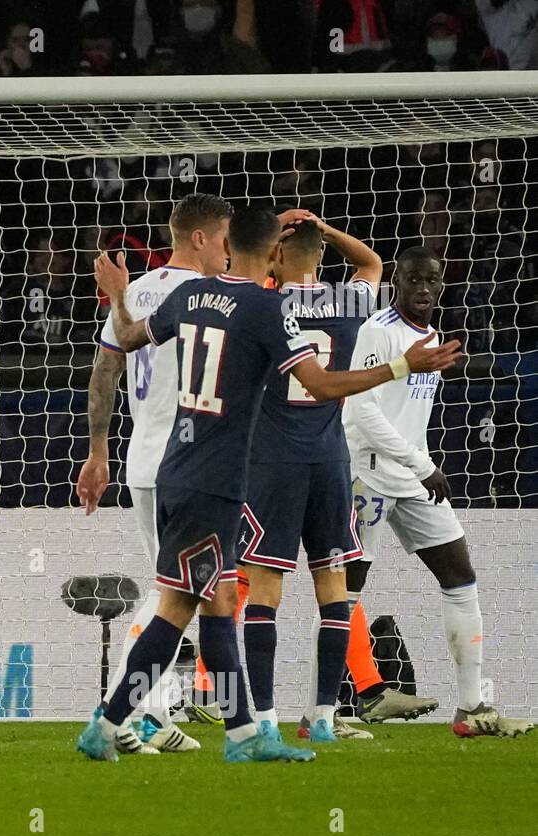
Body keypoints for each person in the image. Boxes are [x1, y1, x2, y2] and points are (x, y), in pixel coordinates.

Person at [81, 205, 460, 763]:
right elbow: (322, 383)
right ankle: (107, 722)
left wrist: (117, 293)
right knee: (178, 610)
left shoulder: (190, 295)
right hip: (215, 478)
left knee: (220, 602)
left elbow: (128, 337)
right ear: (276, 253)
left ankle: (241, 736)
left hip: (181, 467)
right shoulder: (263, 308)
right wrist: (401, 366)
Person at [234, 213, 427, 744]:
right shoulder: (352, 302)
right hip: (330, 460)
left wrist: (271, 229)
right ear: (322, 256)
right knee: (333, 591)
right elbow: (371, 262)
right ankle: (323, 716)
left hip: (272, 463)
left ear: (275, 254)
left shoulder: (263, 304)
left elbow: (241, 268)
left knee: (265, 592)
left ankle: (266, 719)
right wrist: (323, 228)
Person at [343, 245, 535, 738]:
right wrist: (421, 463)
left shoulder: (430, 337)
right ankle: (323, 710)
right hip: (368, 475)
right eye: (413, 280)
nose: (423, 289)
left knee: (460, 574)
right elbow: (362, 412)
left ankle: (471, 709)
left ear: (441, 283)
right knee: (344, 590)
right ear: (398, 282)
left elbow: (409, 417)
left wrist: (419, 462)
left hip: (411, 477)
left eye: (431, 280)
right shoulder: (377, 331)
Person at [77, 192, 233, 755]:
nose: (228, 251)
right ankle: (129, 714)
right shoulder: (206, 297)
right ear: (198, 238)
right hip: (185, 464)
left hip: (144, 460)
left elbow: (105, 370)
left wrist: (99, 451)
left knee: (177, 593)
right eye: (223, 239)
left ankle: (145, 711)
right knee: (175, 596)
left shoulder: (137, 293)